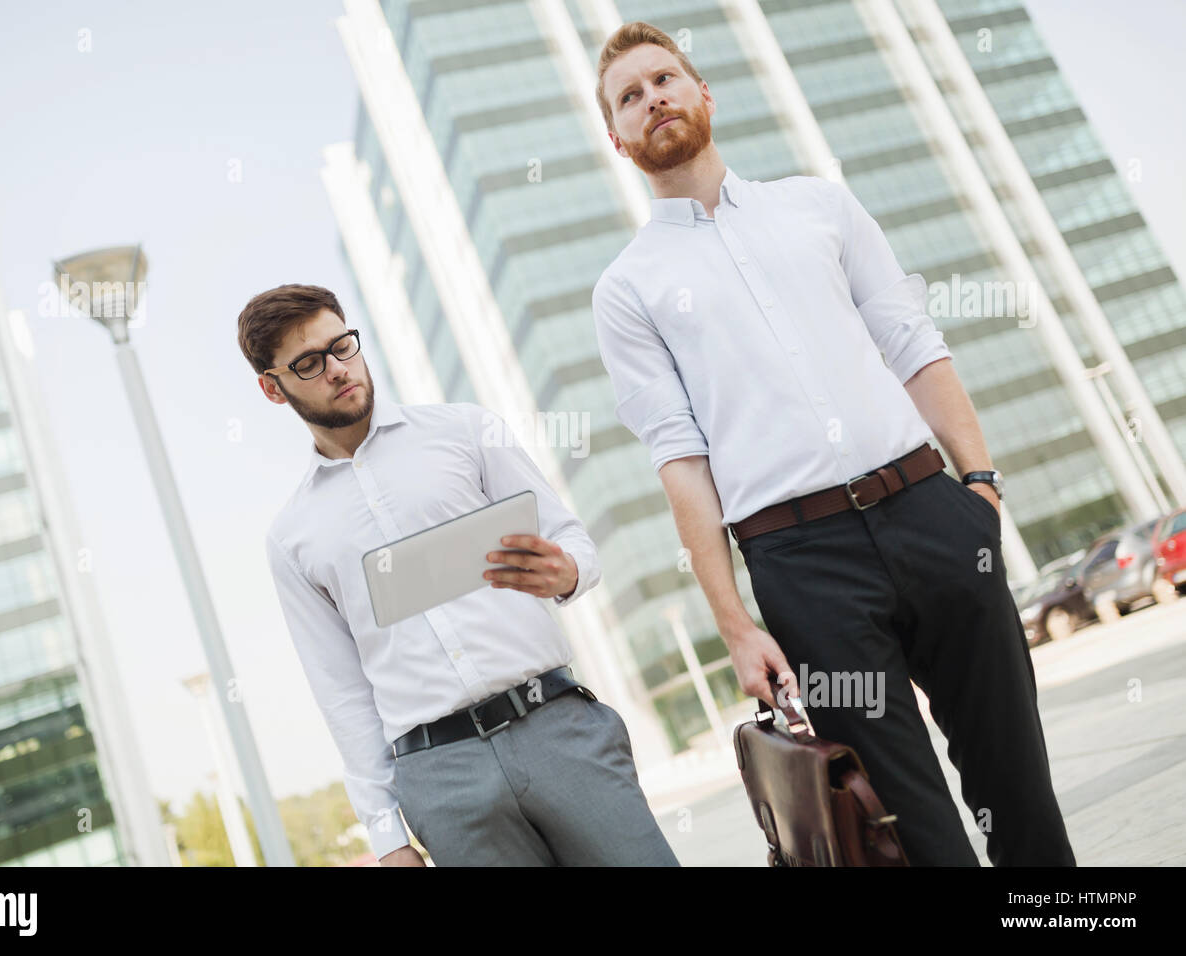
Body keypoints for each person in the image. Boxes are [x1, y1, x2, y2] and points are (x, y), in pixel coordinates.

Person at [589, 21, 1075, 866]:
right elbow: (681, 460)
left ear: (703, 93)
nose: (652, 98)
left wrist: (980, 490)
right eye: (629, 96)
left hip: (932, 513)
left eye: (664, 79)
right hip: (802, 564)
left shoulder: (819, 204)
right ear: (617, 137)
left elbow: (916, 347)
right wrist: (736, 624)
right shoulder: (626, 289)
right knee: (909, 830)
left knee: (1020, 792)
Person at [239, 283, 679, 867]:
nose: (338, 370)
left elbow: (572, 538)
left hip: (557, 728)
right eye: (309, 363)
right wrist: (386, 835)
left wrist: (566, 570)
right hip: (440, 778)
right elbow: (341, 691)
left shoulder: (465, 431)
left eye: (342, 346)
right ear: (273, 388)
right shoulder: (292, 535)